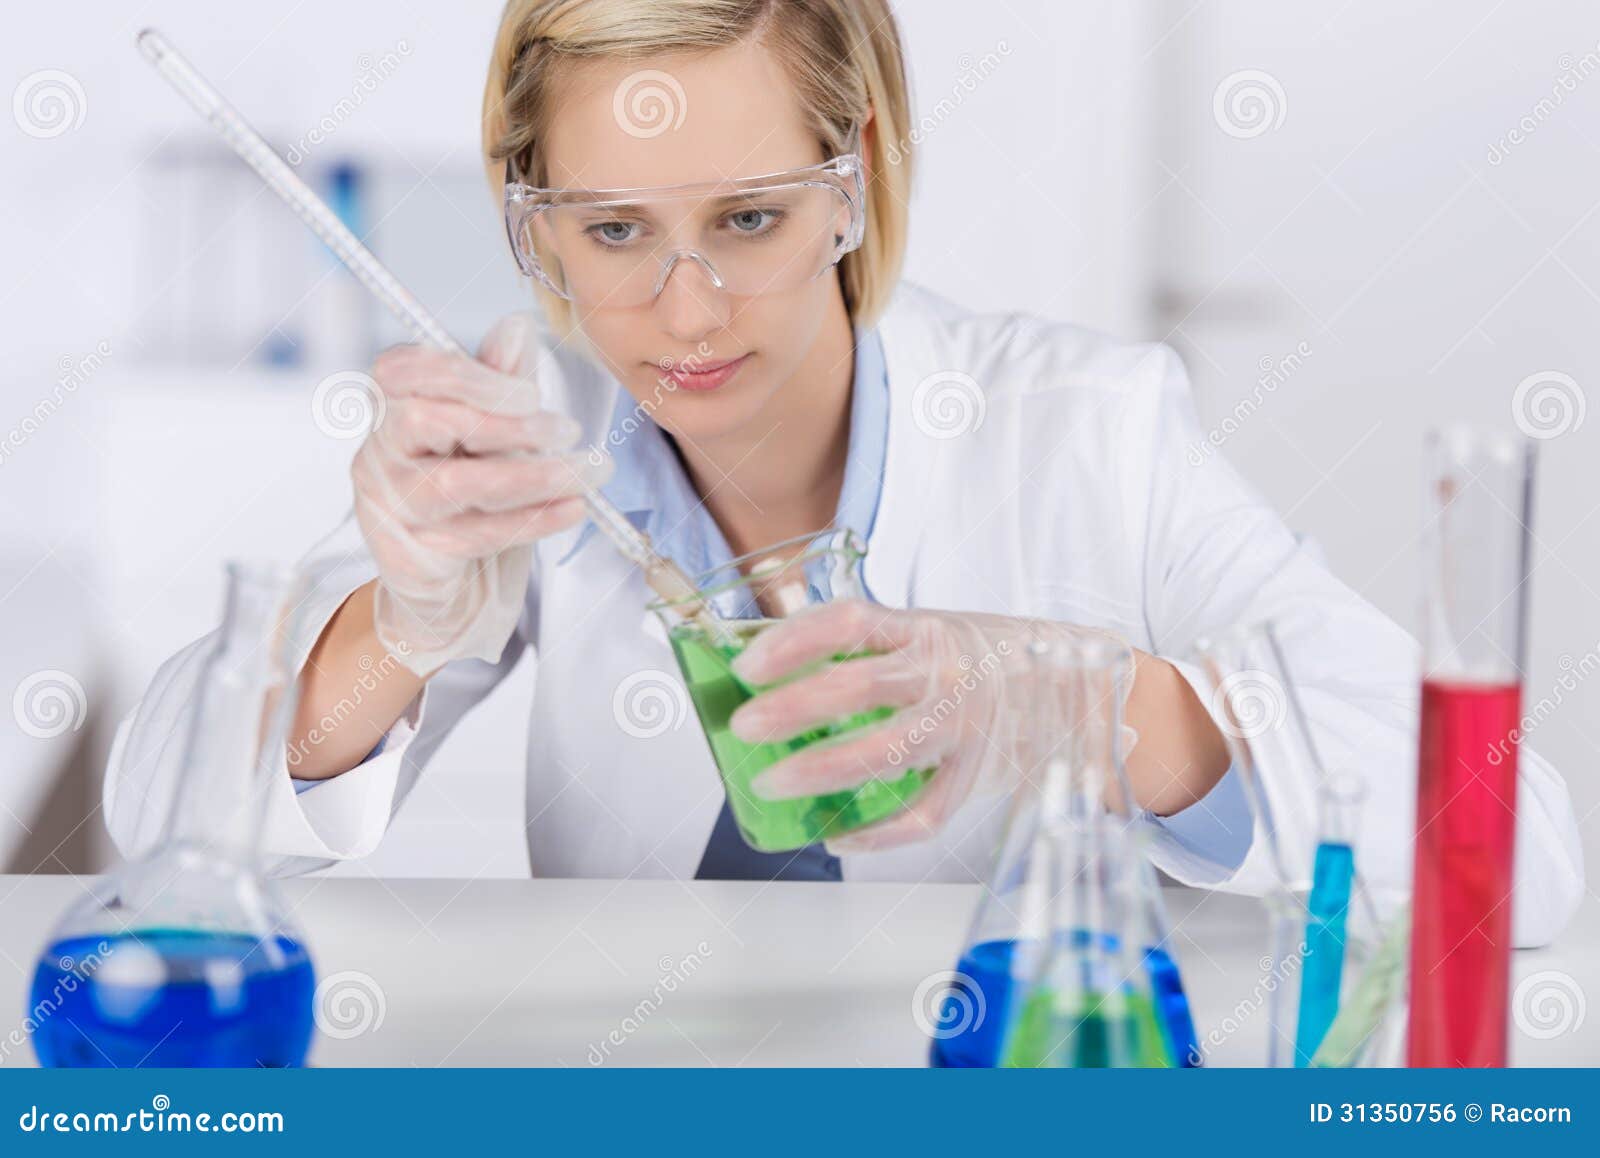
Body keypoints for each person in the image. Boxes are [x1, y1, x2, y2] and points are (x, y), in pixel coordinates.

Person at [105, 0, 1582, 946]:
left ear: (854, 176)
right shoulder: (531, 441)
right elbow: (155, 832)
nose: (684, 313)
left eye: (748, 217)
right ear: (532, 225)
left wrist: (1066, 700)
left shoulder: (1089, 426)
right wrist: (401, 629)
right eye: (613, 230)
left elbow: (1516, 846)